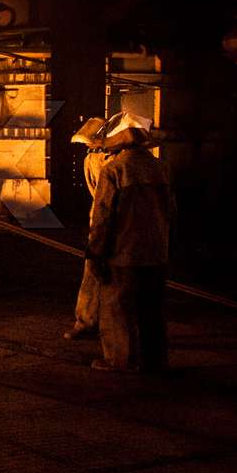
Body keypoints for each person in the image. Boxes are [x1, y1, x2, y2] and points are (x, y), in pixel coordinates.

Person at [86, 112, 173, 373]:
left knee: (118, 308)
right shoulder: (160, 168)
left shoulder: (114, 169)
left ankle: (119, 360)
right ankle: (155, 360)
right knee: (152, 310)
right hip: (156, 251)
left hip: (123, 251)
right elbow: (172, 212)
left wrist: (95, 251)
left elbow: (103, 215)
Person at [65, 117, 109, 342]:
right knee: (93, 272)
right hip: (102, 221)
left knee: (100, 273)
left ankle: (93, 321)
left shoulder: (113, 161)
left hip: (109, 223)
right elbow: (96, 193)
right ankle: (87, 320)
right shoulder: (92, 159)